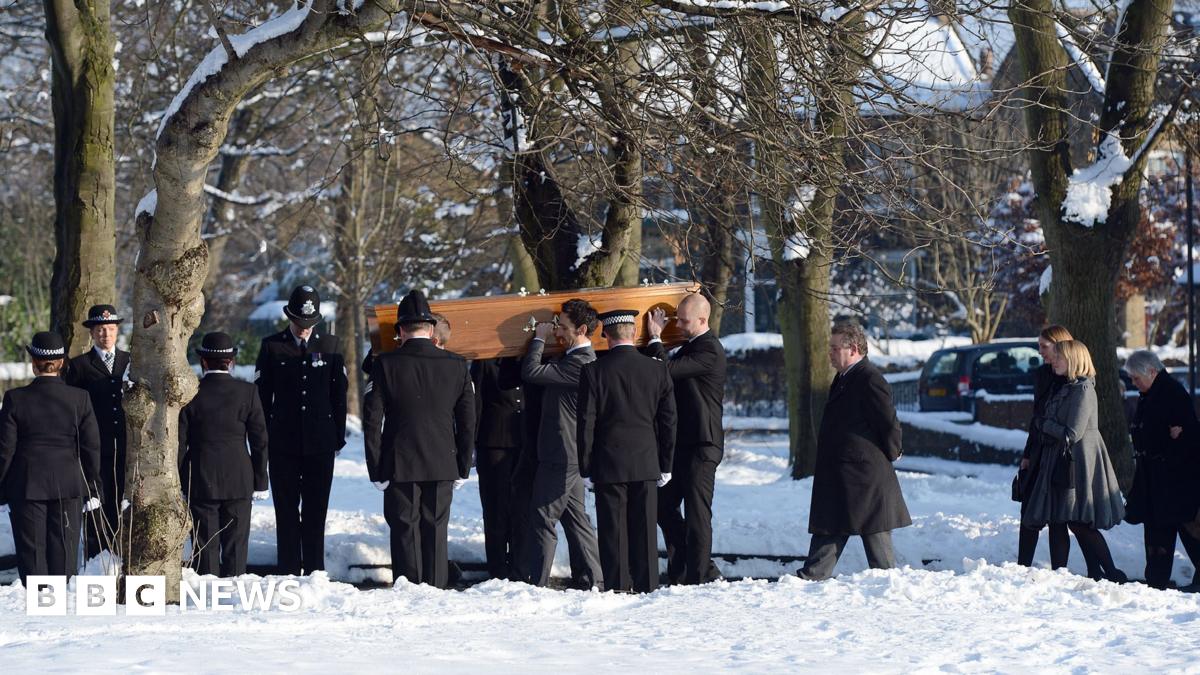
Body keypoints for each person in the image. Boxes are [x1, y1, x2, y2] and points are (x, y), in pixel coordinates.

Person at [364, 290, 474, 587]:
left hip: (400, 462)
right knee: (436, 530)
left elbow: (372, 421)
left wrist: (376, 468)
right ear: (431, 328)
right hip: (442, 460)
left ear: (400, 330)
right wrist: (463, 465)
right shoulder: (456, 365)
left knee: (404, 529)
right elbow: (466, 422)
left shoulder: (385, 364)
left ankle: (407, 587)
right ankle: (436, 587)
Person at [797, 321, 910, 581]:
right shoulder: (845, 378)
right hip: (845, 476)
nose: (830, 353)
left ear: (854, 349)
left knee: (878, 550)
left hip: (864, 478)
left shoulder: (869, 378)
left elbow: (887, 422)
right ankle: (811, 578)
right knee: (832, 528)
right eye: (831, 347)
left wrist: (894, 451)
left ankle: (888, 591)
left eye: (836, 348)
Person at [578, 309, 676, 593]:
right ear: (634, 334)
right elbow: (668, 420)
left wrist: (585, 467)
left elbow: (586, 423)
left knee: (613, 533)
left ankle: (618, 588)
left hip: (608, 464)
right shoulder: (657, 369)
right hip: (646, 462)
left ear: (605, 336)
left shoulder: (593, 371)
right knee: (645, 531)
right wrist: (666, 463)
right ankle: (647, 588)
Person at [254, 285, 348, 574]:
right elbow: (261, 396)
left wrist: (337, 436)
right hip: (283, 441)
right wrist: (266, 435)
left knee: (316, 508)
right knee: (286, 508)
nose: (304, 329)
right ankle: (289, 567)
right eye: (300, 323)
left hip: (320, 442)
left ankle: (315, 568)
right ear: (290, 317)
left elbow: (339, 395)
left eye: (310, 324)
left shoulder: (330, 345)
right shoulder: (272, 346)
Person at [0, 332, 101, 584]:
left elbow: (5, 449)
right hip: (68, 483)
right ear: (62, 363)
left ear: (34, 363)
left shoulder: (15, 399)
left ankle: (39, 608)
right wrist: (93, 486)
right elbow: (91, 447)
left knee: (32, 554)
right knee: (65, 553)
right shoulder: (80, 399)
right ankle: (61, 610)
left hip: (27, 485)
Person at [1023, 339, 1127, 582]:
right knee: (1061, 518)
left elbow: (1073, 433)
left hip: (1079, 462)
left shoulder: (1083, 390)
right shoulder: (1065, 387)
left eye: (1059, 357)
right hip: (1063, 460)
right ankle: (1064, 574)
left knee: (1079, 522)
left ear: (1073, 360)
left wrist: (1043, 425)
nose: (1054, 361)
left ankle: (1111, 573)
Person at [521, 298, 604, 590]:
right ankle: (594, 579)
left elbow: (531, 373)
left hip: (562, 455)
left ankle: (536, 583)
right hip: (568, 454)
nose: (557, 332)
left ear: (581, 329)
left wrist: (538, 339)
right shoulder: (575, 360)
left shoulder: (580, 364)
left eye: (563, 327)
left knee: (543, 517)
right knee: (576, 519)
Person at [644, 294, 727, 585]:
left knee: (697, 514)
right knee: (661, 505)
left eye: (683, 320)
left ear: (703, 320)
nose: (677, 325)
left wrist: (655, 338)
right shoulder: (689, 347)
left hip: (702, 445)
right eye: (677, 318)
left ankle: (699, 575)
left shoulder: (709, 350)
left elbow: (664, 372)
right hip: (683, 444)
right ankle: (685, 565)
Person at [179, 332, 270, 577]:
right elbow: (260, 440)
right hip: (239, 478)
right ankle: (234, 595)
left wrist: (179, 480)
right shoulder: (248, 392)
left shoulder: (190, 394)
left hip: (200, 477)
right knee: (236, 549)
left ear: (203, 362)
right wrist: (261, 481)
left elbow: (180, 442)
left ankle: (207, 598)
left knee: (205, 546)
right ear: (231, 362)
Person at [1123, 349, 1200, 589]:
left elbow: (1185, 435)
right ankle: (1156, 578)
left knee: (1179, 527)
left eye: (1136, 378)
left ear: (1152, 372)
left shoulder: (1171, 393)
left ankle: (1158, 579)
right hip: (1156, 477)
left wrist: (1175, 438)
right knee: (1160, 528)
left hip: (1172, 478)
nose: (1134, 383)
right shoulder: (1152, 393)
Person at [64, 304, 129, 558]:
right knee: (95, 502)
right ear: (92, 333)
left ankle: (121, 553)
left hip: (125, 447)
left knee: (121, 502)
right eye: (100, 329)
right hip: (93, 447)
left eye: (111, 329)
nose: (106, 334)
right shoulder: (79, 366)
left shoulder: (130, 361)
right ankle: (96, 556)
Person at [1016, 325, 1077, 571]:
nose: (1040, 351)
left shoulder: (1072, 377)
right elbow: (1036, 417)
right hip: (1040, 447)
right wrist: (1028, 454)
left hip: (1061, 452)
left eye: (1044, 346)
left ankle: (1059, 570)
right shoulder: (1042, 375)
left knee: (1058, 517)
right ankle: (1022, 565)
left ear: (1059, 345)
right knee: (1029, 509)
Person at [470, 356, 525, 580]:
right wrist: (472, 443)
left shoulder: (532, 358)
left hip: (525, 443)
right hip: (493, 443)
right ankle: (498, 569)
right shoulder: (485, 362)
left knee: (521, 509)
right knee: (495, 508)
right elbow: (476, 403)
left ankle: (519, 567)